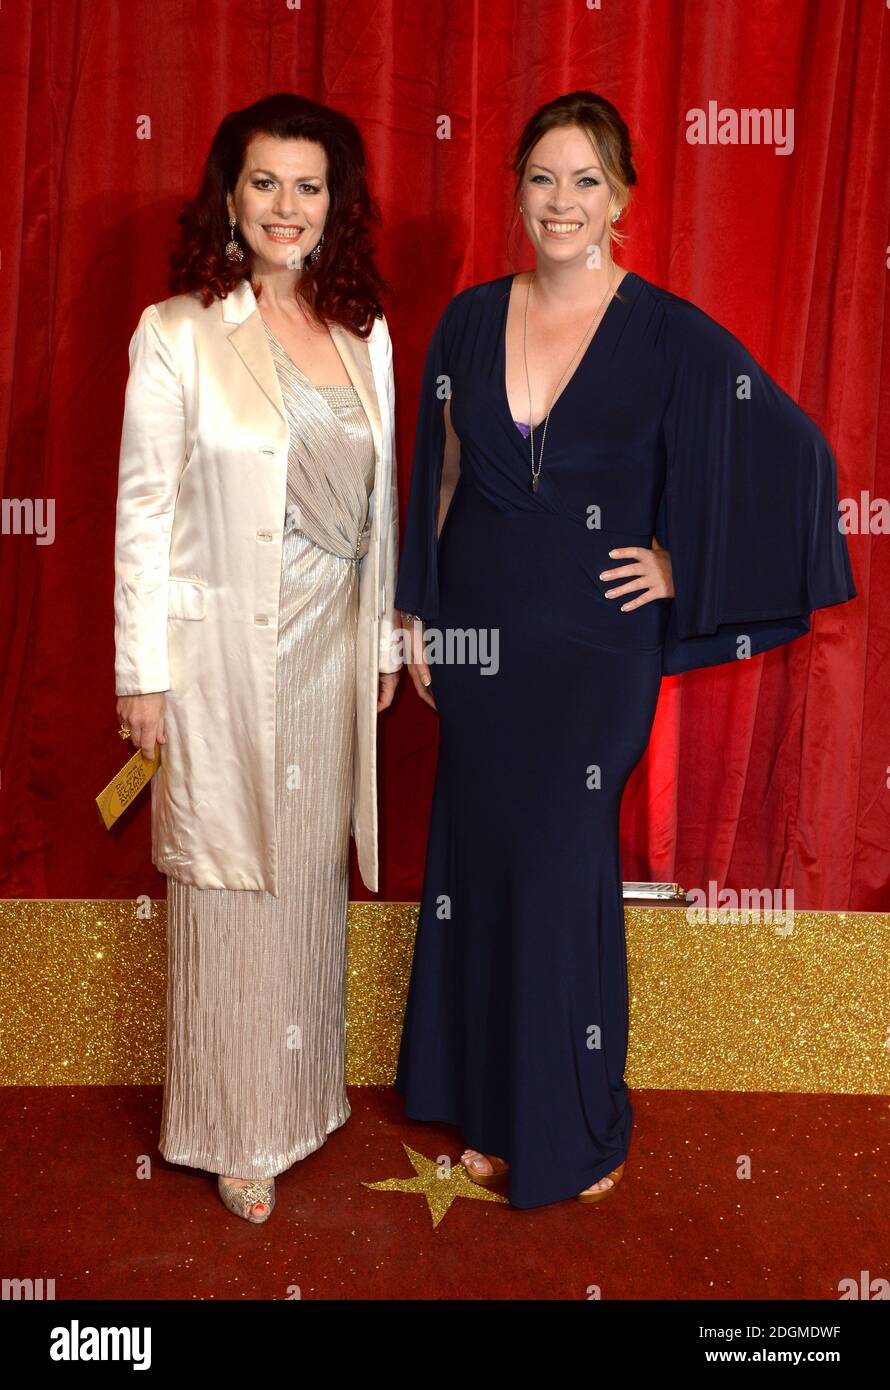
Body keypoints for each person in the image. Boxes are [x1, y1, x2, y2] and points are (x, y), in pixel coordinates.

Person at [392, 90, 856, 1210]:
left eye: (585, 180)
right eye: (542, 178)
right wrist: (414, 611)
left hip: (595, 652)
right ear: (515, 191)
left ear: (622, 200)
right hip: (479, 638)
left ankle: (572, 1127)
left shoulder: (664, 331)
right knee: (482, 863)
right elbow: (438, 475)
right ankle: (486, 1101)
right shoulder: (463, 321)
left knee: (555, 870)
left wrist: (682, 567)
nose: (561, 202)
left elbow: (790, 454)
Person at [113, 93, 401, 1223]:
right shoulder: (177, 329)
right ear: (229, 198)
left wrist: (380, 635)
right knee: (233, 885)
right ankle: (232, 1127)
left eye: (310, 185)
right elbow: (144, 511)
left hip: (332, 650)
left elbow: (379, 508)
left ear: (337, 205)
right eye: (266, 183)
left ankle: (302, 1096)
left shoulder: (363, 332)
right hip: (226, 657)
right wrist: (142, 674)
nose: (289, 206)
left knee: (306, 884)